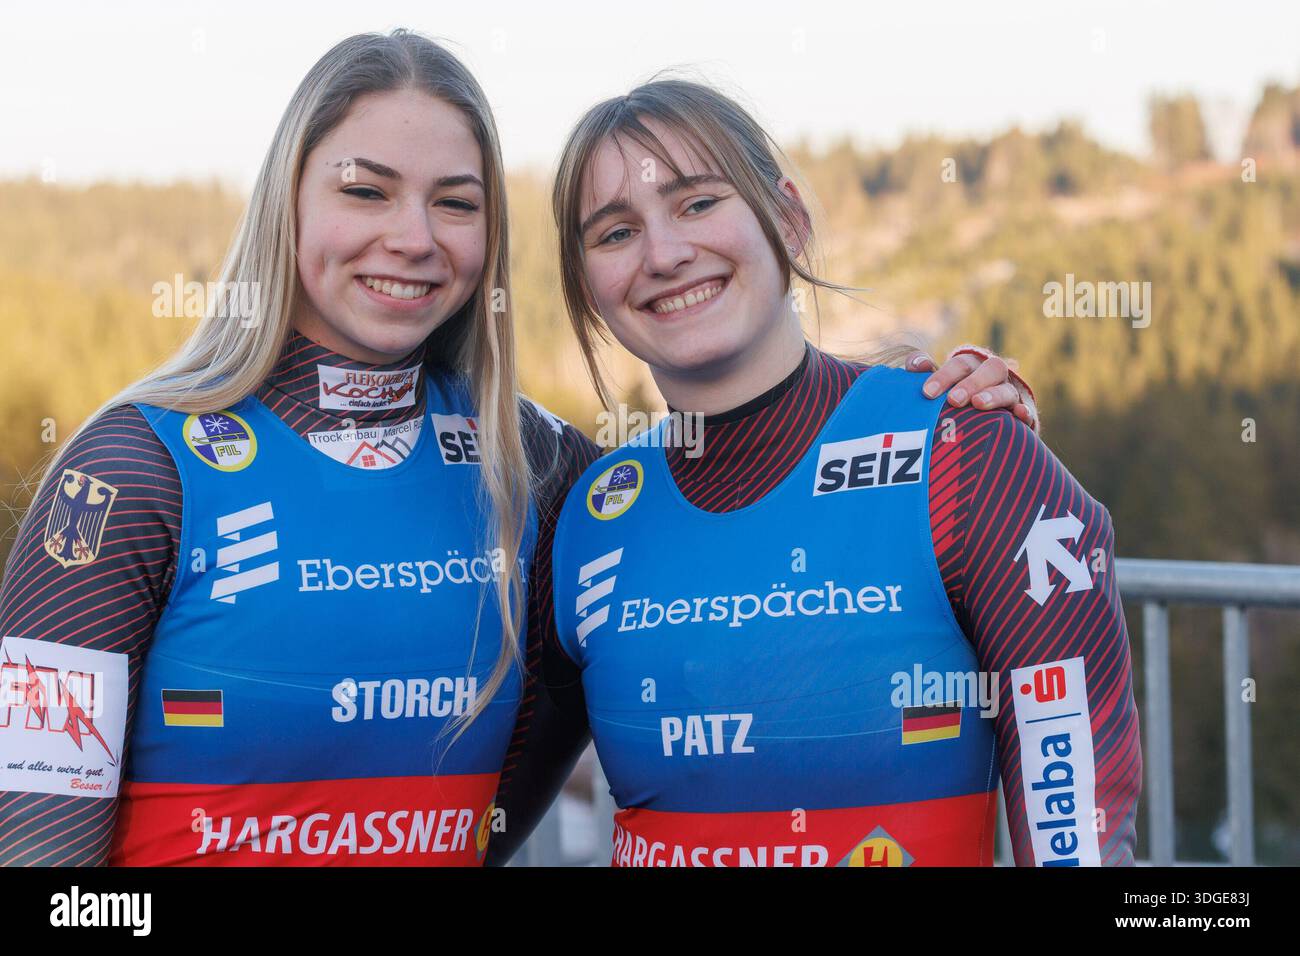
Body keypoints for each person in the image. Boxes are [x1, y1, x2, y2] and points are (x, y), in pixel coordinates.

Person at [0, 31, 1027, 867]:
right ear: (287, 206)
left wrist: (925, 399)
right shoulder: (132, 469)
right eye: (365, 190)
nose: (413, 236)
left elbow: (742, 464)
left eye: (455, 201)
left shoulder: (540, 471)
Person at [489, 79, 1141, 867]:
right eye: (617, 232)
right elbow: (459, 823)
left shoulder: (967, 457)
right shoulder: (589, 516)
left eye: (698, 203)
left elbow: (1081, 838)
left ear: (788, 221)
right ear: (588, 287)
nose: (663, 254)